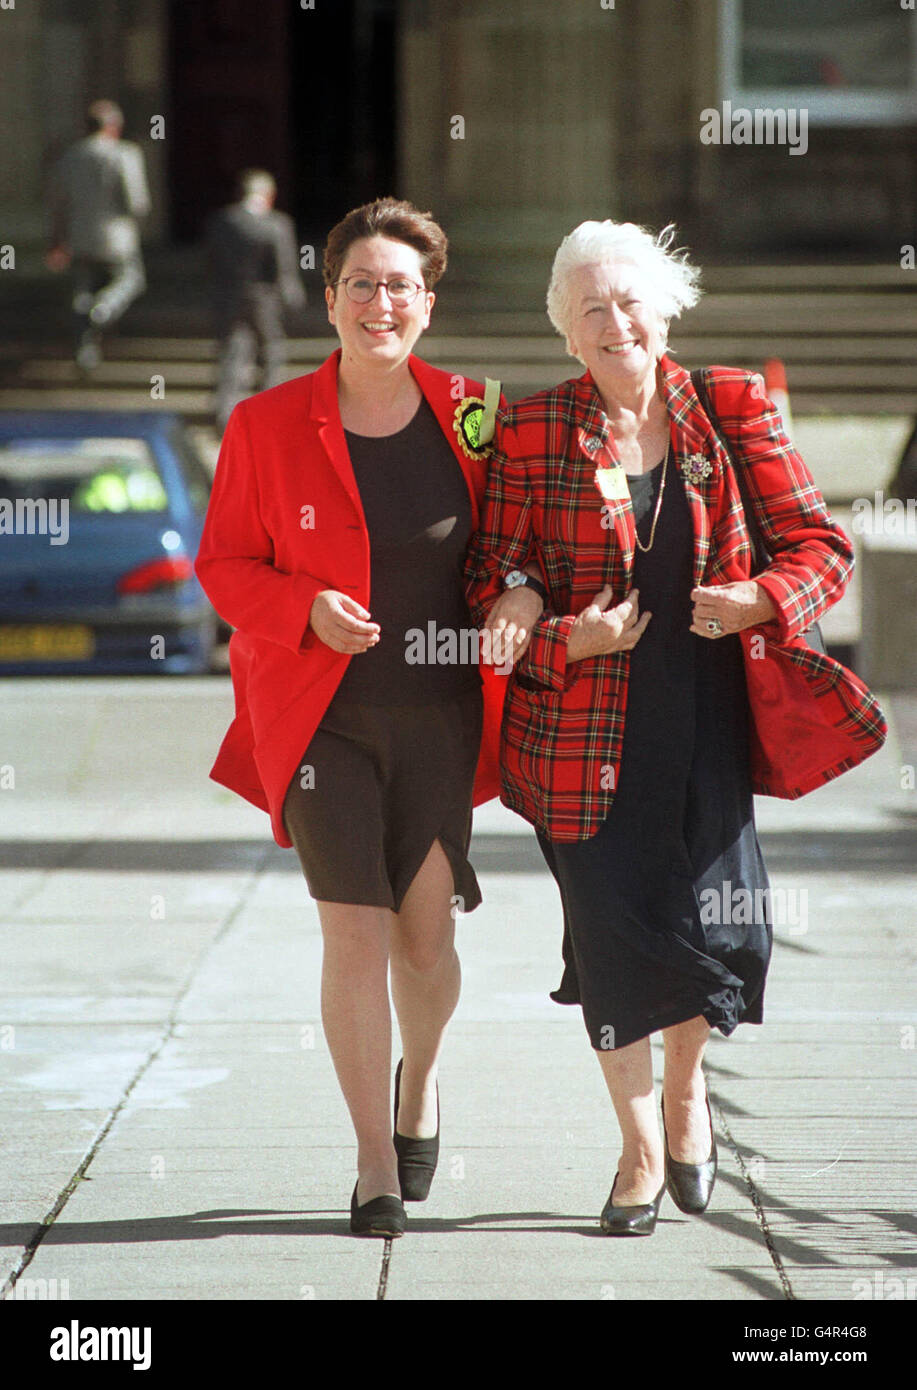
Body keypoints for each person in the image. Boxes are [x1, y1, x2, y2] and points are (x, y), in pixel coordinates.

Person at [465, 219, 887, 1237]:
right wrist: (542, 617)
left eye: (629, 302)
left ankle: (686, 1092)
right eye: (590, 310)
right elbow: (493, 571)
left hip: (705, 718)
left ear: (664, 312)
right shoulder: (530, 429)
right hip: (576, 737)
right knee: (611, 941)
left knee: (714, 928)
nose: (614, 323)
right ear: (568, 335)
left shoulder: (729, 406)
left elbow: (821, 544)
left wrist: (759, 600)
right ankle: (637, 1148)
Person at [194, 198, 543, 1238]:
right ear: (330, 298)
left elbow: (522, 540)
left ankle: (419, 1080)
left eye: (399, 286)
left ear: (426, 305)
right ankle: (371, 1161)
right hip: (320, 721)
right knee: (351, 932)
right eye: (359, 284)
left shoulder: (478, 412)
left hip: (439, 717)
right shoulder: (263, 423)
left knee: (425, 944)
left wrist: (521, 594)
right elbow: (220, 564)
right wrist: (299, 606)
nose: (378, 302)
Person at [46, 100, 151, 371]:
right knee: (131, 279)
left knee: (82, 292)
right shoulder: (124, 153)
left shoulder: (69, 157)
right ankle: (104, 309)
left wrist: (57, 241)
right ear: (114, 126)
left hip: (79, 238)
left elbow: (57, 204)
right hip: (116, 238)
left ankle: (85, 352)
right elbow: (136, 202)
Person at [205, 169, 308, 432]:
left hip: (229, 297)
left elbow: (211, 263)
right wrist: (292, 299)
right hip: (264, 299)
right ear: (269, 196)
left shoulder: (222, 221)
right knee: (271, 350)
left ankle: (224, 415)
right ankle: (268, 410)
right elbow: (284, 268)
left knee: (231, 353)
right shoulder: (276, 224)